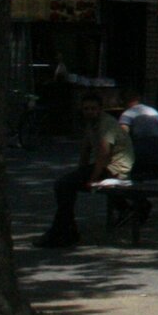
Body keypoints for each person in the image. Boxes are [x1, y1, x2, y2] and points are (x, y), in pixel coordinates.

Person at [36, 92, 136, 248]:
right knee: (65, 185)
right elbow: (85, 149)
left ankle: (62, 231)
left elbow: (104, 155)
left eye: (93, 108)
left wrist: (92, 179)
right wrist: (79, 172)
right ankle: (67, 230)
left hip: (114, 168)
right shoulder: (90, 124)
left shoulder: (106, 124)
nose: (89, 111)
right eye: (86, 109)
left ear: (100, 109)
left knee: (63, 185)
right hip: (104, 165)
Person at [118, 90, 158, 178]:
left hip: (142, 153)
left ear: (123, 101)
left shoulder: (128, 114)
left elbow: (122, 136)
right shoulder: (153, 111)